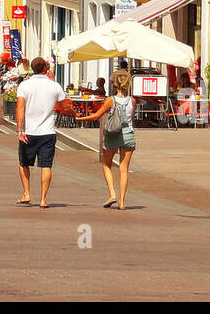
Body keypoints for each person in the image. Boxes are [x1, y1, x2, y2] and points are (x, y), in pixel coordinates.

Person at [73, 68, 137, 209]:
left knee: (106, 164)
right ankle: (122, 202)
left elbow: (97, 116)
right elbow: (131, 117)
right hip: (128, 134)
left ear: (115, 84)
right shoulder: (132, 101)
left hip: (113, 134)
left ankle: (112, 194)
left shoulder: (110, 100)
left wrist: (79, 118)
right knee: (124, 168)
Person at [15, 57, 66, 209]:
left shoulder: (25, 85)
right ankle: (43, 199)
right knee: (46, 165)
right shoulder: (55, 86)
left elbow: (20, 107)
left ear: (32, 68)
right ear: (46, 68)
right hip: (48, 132)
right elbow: (64, 105)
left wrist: (19, 129)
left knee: (24, 163)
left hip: (28, 131)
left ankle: (27, 193)